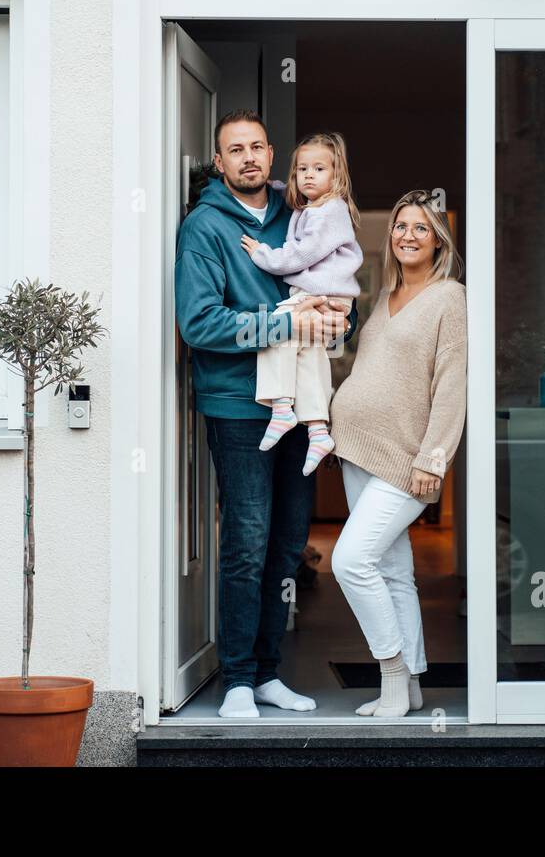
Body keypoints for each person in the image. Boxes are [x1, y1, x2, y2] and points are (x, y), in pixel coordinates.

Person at [174, 109, 358, 718]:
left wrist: (338, 318)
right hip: (239, 405)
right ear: (220, 161)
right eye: (235, 149)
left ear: (272, 154)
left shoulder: (299, 214)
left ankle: (269, 672)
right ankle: (236, 680)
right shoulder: (204, 228)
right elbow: (198, 323)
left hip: (301, 407)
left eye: (257, 147)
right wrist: (283, 321)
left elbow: (331, 293)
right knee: (248, 545)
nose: (248, 157)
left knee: (286, 547)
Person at [327, 189, 468, 717]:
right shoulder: (384, 297)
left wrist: (434, 457)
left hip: (406, 459)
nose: (408, 235)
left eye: (421, 228)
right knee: (392, 572)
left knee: (350, 561)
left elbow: (452, 384)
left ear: (439, 242)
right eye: (401, 226)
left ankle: (389, 673)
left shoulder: (449, 298)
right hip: (358, 449)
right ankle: (409, 687)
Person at [239, 131, 364, 475]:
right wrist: (277, 187)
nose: (308, 175)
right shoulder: (314, 207)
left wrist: (263, 255)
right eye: (302, 170)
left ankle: (281, 406)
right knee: (309, 357)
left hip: (319, 295)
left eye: (319, 169)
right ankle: (319, 429)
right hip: (324, 294)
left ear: (336, 176)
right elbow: (289, 196)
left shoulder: (327, 212)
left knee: (275, 335)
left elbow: (302, 254)